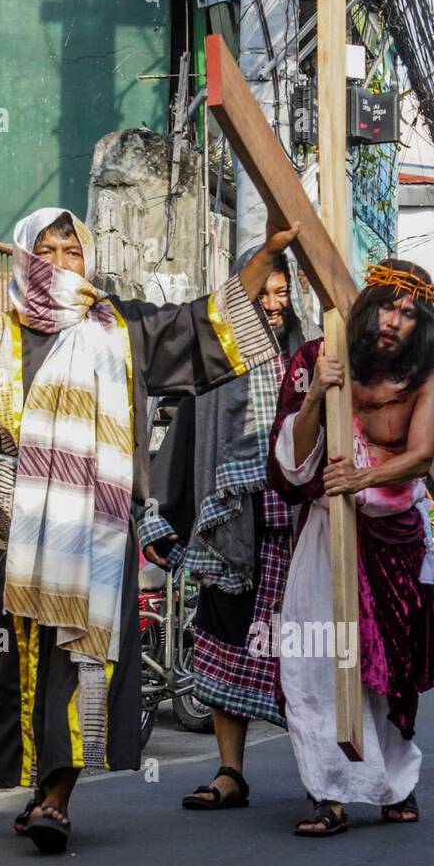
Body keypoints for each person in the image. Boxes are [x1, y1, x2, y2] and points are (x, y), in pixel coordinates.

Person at [0, 206, 296, 852]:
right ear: (23, 256)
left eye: (72, 251)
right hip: (19, 540)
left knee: (82, 665)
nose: (62, 263)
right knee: (20, 671)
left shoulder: (119, 328)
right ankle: (40, 789)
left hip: (97, 538)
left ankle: (58, 798)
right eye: (49, 250)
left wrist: (266, 253)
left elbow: (203, 324)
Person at [266, 259, 434, 836]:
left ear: (420, 324)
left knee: (390, 672)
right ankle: (327, 793)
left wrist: (361, 479)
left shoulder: (432, 375)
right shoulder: (325, 360)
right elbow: (292, 461)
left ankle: (396, 784)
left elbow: (422, 455)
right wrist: (316, 396)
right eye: (386, 306)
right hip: (328, 533)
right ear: (368, 306)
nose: (394, 321)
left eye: (408, 312)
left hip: (396, 541)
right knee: (314, 662)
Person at [138, 250, 314, 808]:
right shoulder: (213, 364)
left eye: (279, 293)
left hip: (298, 528)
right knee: (224, 639)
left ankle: (324, 774)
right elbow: (184, 438)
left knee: (308, 650)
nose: (271, 304)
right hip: (231, 528)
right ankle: (230, 772)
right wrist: (164, 514)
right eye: (260, 293)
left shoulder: (311, 358)